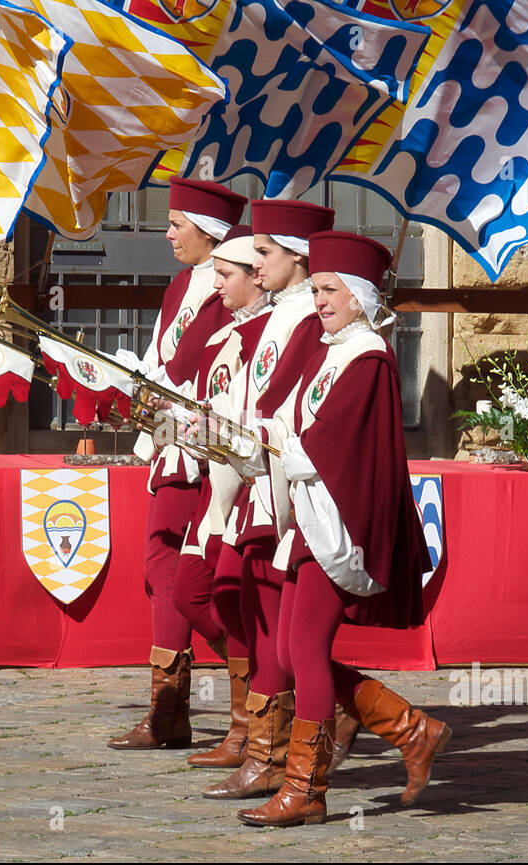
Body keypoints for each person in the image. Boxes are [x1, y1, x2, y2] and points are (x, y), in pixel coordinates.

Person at [235, 231, 450, 827]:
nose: (320, 299)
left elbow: (336, 444)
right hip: (309, 514)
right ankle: (410, 728)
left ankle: (306, 790)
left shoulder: (368, 358)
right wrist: (243, 443)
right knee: (288, 647)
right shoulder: (329, 350)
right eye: (317, 289)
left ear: (359, 297)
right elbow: (289, 427)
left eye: (330, 290)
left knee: (303, 648)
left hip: (339, 520)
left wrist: (273, 445)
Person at [197, 199, 345, 799]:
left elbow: (286, 409)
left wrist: (255, 456)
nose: (254, 266)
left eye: (264, 253)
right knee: (257, 619)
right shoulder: (281, 315)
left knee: (279, 631)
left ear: (297, 257)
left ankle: (277, 757)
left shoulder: (306, 319)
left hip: (283, 488)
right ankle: (269, 750)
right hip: (257, 478)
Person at [108, 177, 247, 751]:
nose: (167, 234)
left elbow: (200, 382)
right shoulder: (179, 288)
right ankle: (174, 712)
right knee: (159, 571)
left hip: (199, 449)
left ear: (209, 233)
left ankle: (245, 699)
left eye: (176, 225)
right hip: (170, 443)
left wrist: (150, 402)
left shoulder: (226, 291)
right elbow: (160, 365)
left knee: (175, 577)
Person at [168, 224, 273, 768]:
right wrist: (163, 424)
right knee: (191, 595)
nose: (217, 285)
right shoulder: (222, 335)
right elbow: (202, 410)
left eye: (225, 275)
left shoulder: (267, 335)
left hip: (243, 491)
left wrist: (204, 432)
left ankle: (251, 727)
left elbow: (250, 426)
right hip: (213, 483)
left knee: (232, 604)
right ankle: (250, 714)